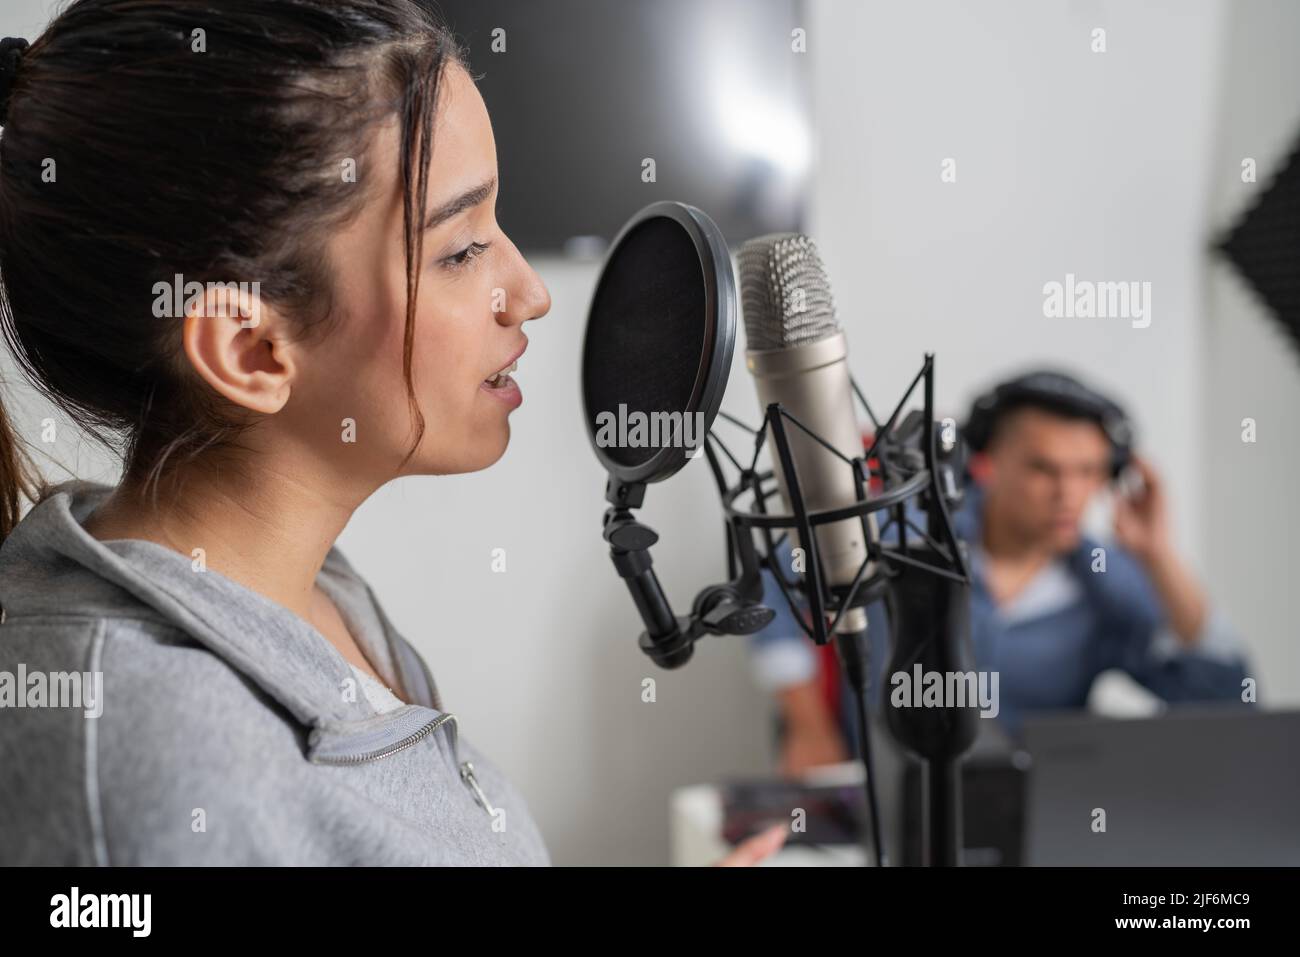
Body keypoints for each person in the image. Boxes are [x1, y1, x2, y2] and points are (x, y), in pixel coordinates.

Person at [0, 0, 786, 867]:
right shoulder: (151, 771)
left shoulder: (315, 592)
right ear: (252, 350)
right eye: (460, 250)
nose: (529, 292)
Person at [749, 370, 1254, 776]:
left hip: (1031, 820)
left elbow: (1225, 702)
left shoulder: (1108, 581)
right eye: (1044, 469)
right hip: (883, 802)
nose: (1069, 494)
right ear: (988, 463)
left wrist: (1159, 555)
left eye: (1088, 471)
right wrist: (808, 726)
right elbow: (774, 579)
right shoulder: (905, 530)